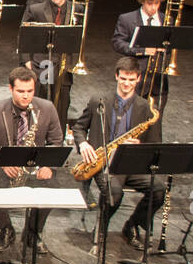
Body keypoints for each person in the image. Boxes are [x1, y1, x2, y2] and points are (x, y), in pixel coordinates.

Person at [70, 57, 165, 249]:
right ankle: (102, 226)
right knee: (114, 192)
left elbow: (155, 144)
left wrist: (138, 146)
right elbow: (79, 128)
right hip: (103, 163)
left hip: (131, 164)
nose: (127, 84)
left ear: (138, 79)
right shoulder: (99, 100)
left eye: (131, 79)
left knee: (159, 190)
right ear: (116, 76)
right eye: (123, 78)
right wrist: (84, 145)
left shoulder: (144, 107)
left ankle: (132, 225)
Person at [0, 66, 63, 255]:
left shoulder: (47, 108)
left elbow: (56, 141)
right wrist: (1, 162)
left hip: (34, 165)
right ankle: (5, 229)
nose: (26, 96)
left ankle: (33, 232)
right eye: (20, 91)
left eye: (30, 91)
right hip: (4, 165)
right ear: (10, 89)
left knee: (54, 184)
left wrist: (47, 165)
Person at [22, 0, 75, 130]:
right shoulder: (36, 9)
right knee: (40, 105)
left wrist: (72, 64)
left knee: (61, 106)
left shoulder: (77, 9)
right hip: (42, 64)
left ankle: (57, 144)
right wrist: (27, 62)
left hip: (64, 65)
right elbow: (24, 36)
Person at [112, 0, 170, 114]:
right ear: (143, 1)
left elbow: (170, 48)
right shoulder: (126, 19)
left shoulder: (166, 20)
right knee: (132, 117)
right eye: (150, 3)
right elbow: (117, 43)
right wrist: (142, 50)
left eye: (157, 3)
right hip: (135, 77)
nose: (153, 8)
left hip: (158, 80)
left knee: (156, 121)